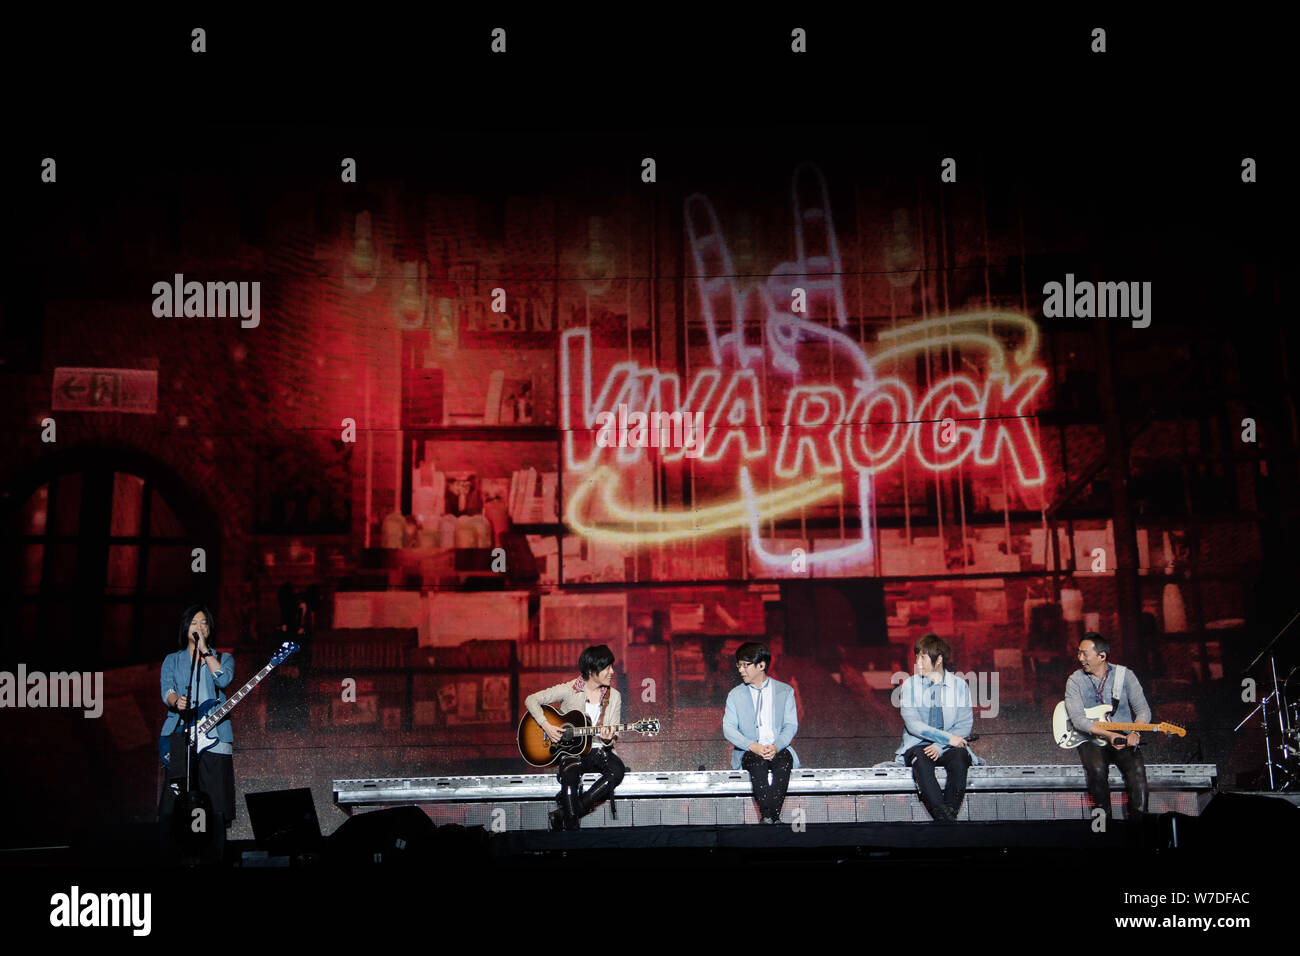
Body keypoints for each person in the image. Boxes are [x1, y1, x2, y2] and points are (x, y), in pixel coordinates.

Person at [159, 606, 237, 848]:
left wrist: (205, 652)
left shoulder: (223, 658)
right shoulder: (172, 659)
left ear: (210, 629)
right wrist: (176, 701)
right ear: (185, 628)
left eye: (204, 623)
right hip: (181, 733)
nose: (199, 627)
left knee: (216, 802)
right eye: (194, 623)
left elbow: (223, 679)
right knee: (176, 801)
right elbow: (167, 690)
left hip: (215, 737)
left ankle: (216, 853)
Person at [524, 644, 625, 831]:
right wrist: (546, 725)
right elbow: (531, 700)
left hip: (597, 750)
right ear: (591, 670)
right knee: (569, 780)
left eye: (612, 666)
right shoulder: (569, 689)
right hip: (572, 752)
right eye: (607, 667)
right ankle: (571, 835)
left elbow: (612, 735)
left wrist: (606, 738)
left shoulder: (614, 696)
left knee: (617, 770)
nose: (612, 671)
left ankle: (566, 813)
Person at [895, 634, 982, 823]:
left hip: (948, 747)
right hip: (919, 744)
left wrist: (940, 745)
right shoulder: (910, 685)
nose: (918, 662)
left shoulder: (959, 685)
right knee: (922, 759)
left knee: (960, 757)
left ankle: (949, 812)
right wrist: (946, 738)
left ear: (939, 658)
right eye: (916, 656)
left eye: (923, 657)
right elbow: (913, 724)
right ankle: (942, 813)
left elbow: (964, 725)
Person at [1065, 632, 1150, 823]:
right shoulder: (1075, 680)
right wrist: (1108, 735)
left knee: (1136, 770)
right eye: (1079, 653)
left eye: (1085, 654)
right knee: (1096, 771)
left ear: (1101, 656)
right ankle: (1101, 827)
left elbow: (1143, 710)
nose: (1080, 658)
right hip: (1092, 737)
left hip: (1123, 735)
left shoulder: (1125, 676)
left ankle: (1141, 827)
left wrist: (1136, 731)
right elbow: (1078, 720)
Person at [723, 642, 799, 824]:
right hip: (749, 750)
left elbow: (790, 725)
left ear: (761, 665)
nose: (741, 670)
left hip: (777, 747)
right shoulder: (735, 695)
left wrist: (776, 746)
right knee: (757, 765)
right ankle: (771, 816)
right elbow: (729, 728)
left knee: (783, 763)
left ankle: (768, 817)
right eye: (739, 665)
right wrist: (753, 746)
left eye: (745, 665)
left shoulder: (785, 691)